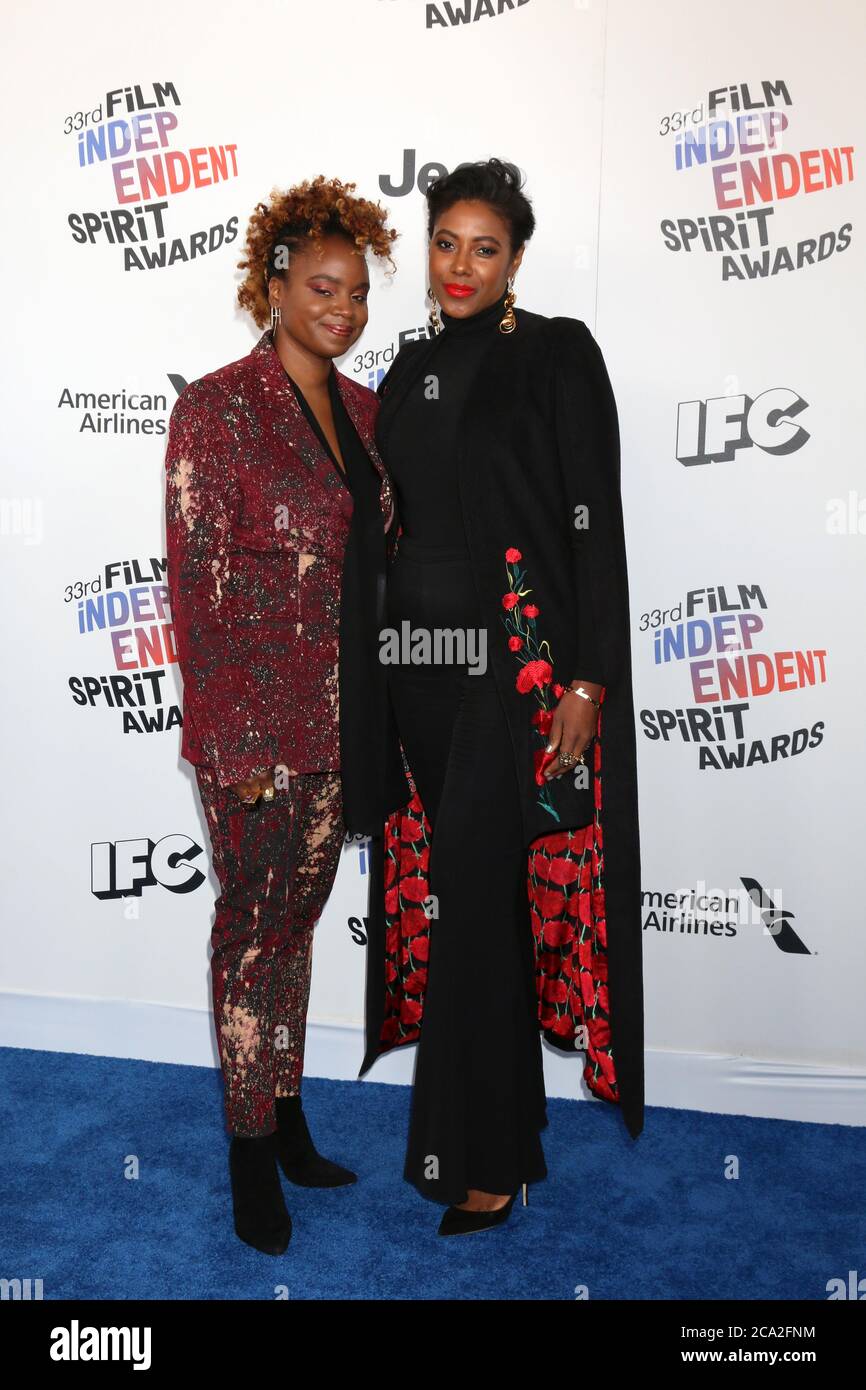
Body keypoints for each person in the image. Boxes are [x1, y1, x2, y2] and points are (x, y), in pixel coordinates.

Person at [357, 158, 644, 1237]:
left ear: (515, 258)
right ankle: (495, 1139)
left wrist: (587, 677)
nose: (461, 264)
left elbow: (594, 522)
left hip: (510, 672)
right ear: (425, 251)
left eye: (485, 246)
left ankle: (482, 1158)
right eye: (445, 243)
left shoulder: (557, 355)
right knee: (458, 907)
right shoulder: (404, 372)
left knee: (478, 903)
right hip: (414, 670)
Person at [164, 176, 397, 1254]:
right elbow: (196, 587)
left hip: (339, 724)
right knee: (249, 936)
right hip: (254, 738)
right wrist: (237, 745)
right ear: (272, 284)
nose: (340, 310)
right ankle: (248, 1151)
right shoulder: (214, 408)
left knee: (293, 933)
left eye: (354, 292)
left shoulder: (363, 412)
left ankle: (290, 1115)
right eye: (319, 287)